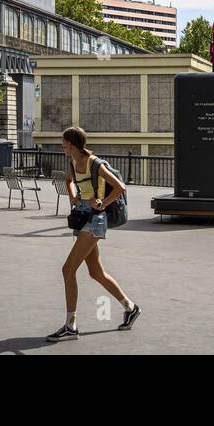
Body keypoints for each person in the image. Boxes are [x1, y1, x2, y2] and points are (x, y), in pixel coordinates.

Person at [46, 126, 140, 341]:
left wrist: (102, 203)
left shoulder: (94, 163)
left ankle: (71, 326)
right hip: (82, 217)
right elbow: (69, 181)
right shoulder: (73, 163)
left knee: (68, 269)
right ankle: (131, 307)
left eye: (63, 143)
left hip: (96, 220)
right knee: (96, 272)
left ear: (71, 144)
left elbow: (120, 187)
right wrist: (74, 198)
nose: (62, 147)